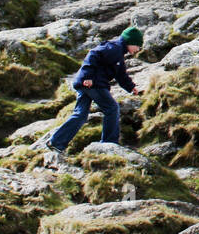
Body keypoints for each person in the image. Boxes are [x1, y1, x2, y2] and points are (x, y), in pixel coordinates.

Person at [43, 26, 145, 166]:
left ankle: (56, 142)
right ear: (130, 42)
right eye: (137, 46)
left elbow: (121, 75)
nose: (138, 50)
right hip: (92, 83)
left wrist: (131, 87)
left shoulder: (118, 54)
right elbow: (93, 55)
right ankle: (109, 143)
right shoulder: (114, 48)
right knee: (112, 108)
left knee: (80, 115)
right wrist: (88, 76)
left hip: (86, 83)